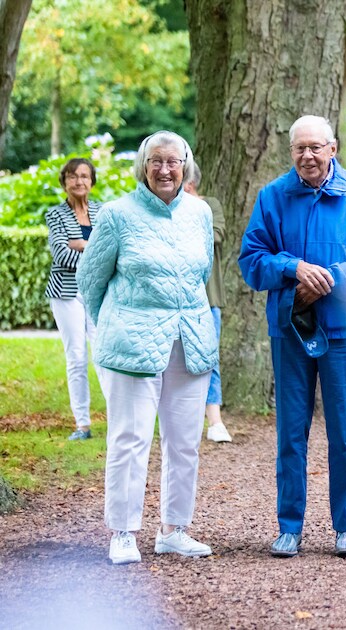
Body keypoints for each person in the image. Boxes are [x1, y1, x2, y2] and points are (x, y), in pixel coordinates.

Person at [239, 115, 346, 558]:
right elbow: (251, 260)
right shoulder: (272, 196)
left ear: (333, 148)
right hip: (290, 328)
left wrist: (329, 277)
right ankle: (290, 526)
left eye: (316, 147)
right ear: (291, 152)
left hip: (343, 330)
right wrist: (292, 268)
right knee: (291, 431)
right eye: (300, 148)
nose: (308, 155)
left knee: (344, 431)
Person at [77, 131, 217, 565]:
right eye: (155, 161)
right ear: (143, 166)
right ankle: (122, 531)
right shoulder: (118, 215)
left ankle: (174, 529)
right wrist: (117, 324)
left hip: (189, 340)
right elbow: (89, 281)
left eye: (172, 162)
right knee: (130, 438)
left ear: (185, 165)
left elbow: (201, 272)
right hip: (132, 343)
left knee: (184, 443)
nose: (164, 169)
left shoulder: (200, 212)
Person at [44, 157, 102, 441]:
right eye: (72, 176)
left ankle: (118, 419)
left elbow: (110, 252)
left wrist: (83, 244)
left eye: (84, 176)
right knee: (77, 356)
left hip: (96, 291)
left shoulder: (103, 212)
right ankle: (83, 424)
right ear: (64, 181)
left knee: (103, 353)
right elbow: (62, 256)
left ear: (91, 181)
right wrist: (95, 250)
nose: (78, 181)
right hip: (66, 293)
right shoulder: (55, 215)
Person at [183, 162, 231, 443]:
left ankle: (215, 422)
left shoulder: (209, 205)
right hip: (172, 299)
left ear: (189, 184)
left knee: (209, 357)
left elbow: (216, 236)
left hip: (207, 297)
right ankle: (185, 419)